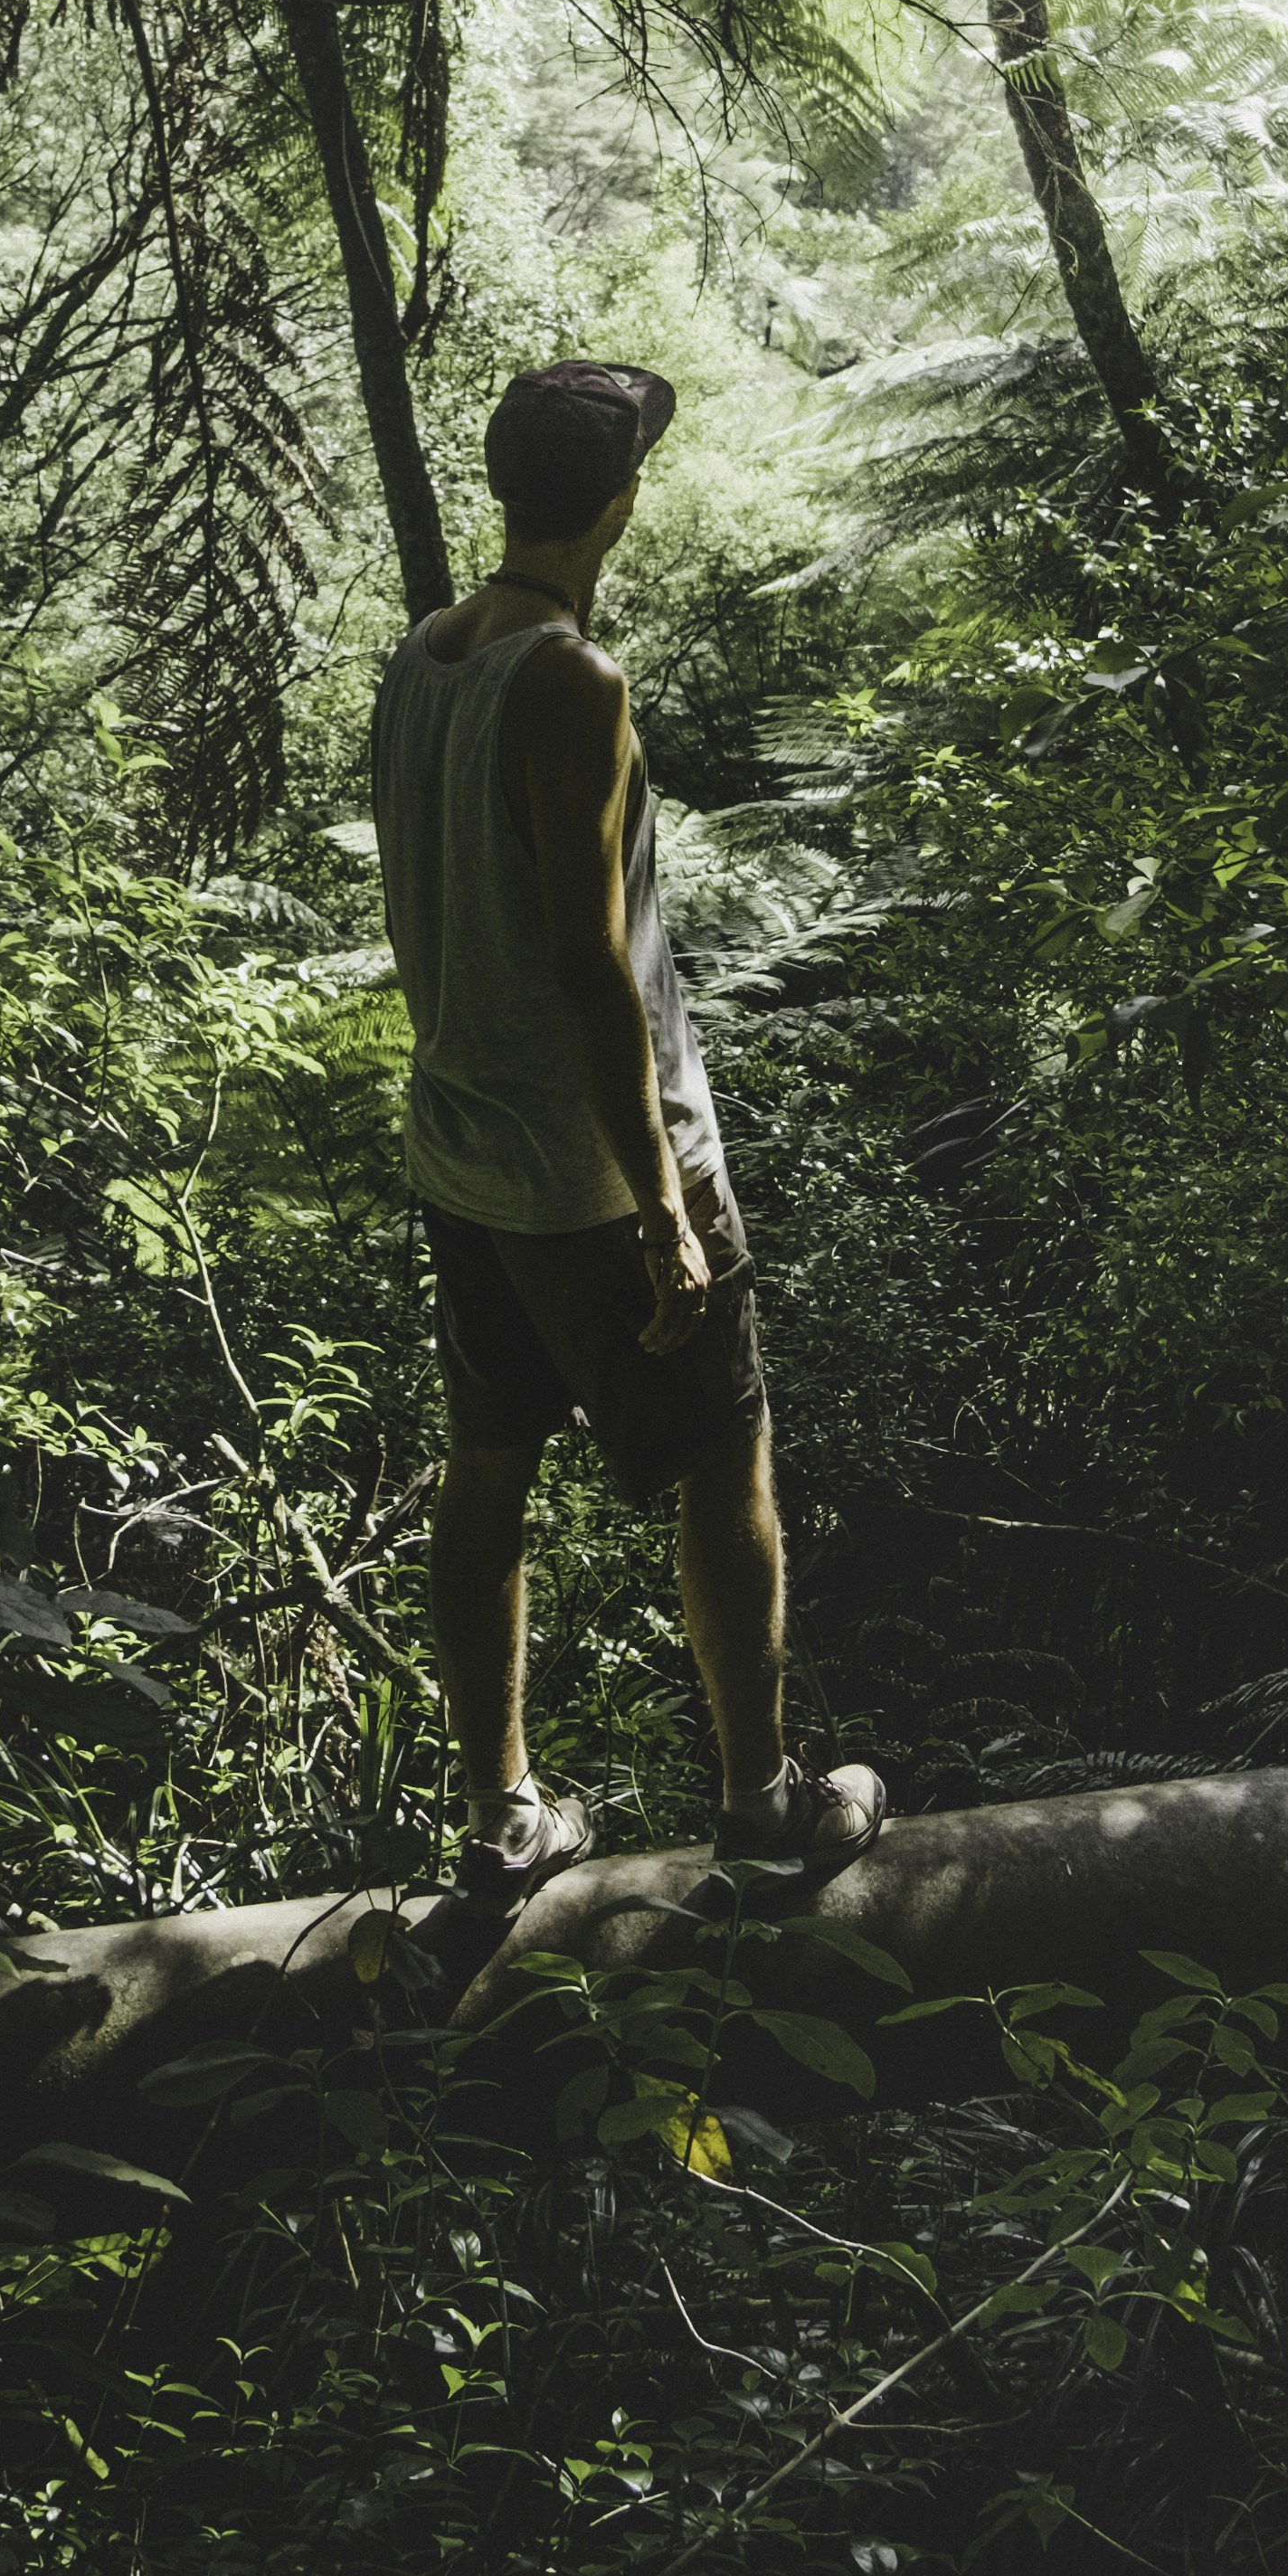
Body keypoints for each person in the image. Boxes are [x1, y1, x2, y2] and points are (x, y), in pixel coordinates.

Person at [370, 358, 886, 1903]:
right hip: (595, 1164)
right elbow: (597, 961)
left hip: (462, 1152)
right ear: (619, 505)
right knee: (728, 1458)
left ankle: (503, 1812)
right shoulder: (572, 682)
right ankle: (758, 1809)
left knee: (488, 1467)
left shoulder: (422, 658)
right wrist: (661, 1198)